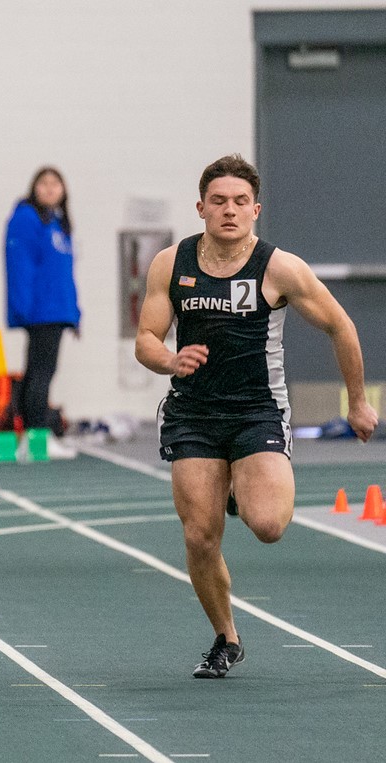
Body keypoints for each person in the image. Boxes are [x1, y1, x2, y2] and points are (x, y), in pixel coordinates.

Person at [134, 154, 376, 679]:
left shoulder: (279, 267)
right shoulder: (171, 264)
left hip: (257, 412)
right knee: (200, 536)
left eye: (240, 202)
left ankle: (241, 487)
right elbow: (146, 340)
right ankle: (226, 637)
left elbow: (341, 326)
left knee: (267, 524)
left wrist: (357, 401)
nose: (229, 211)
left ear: (256, 209)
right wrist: (170, 360)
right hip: (193, 413)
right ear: (200, 208)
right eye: (218, 201)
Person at [5, 166, 80, 460]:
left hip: (58, 310)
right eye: (44, 183)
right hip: (41, 311)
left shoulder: (58, 223)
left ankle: (32, 442)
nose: (50, 189)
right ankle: (36, 441)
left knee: (41, 372)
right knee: (40, 374)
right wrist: (22, 308)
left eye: (55, 184)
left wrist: (75, 312)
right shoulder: (26, 218)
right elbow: (19, 265)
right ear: (34, 187)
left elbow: (64, 273)